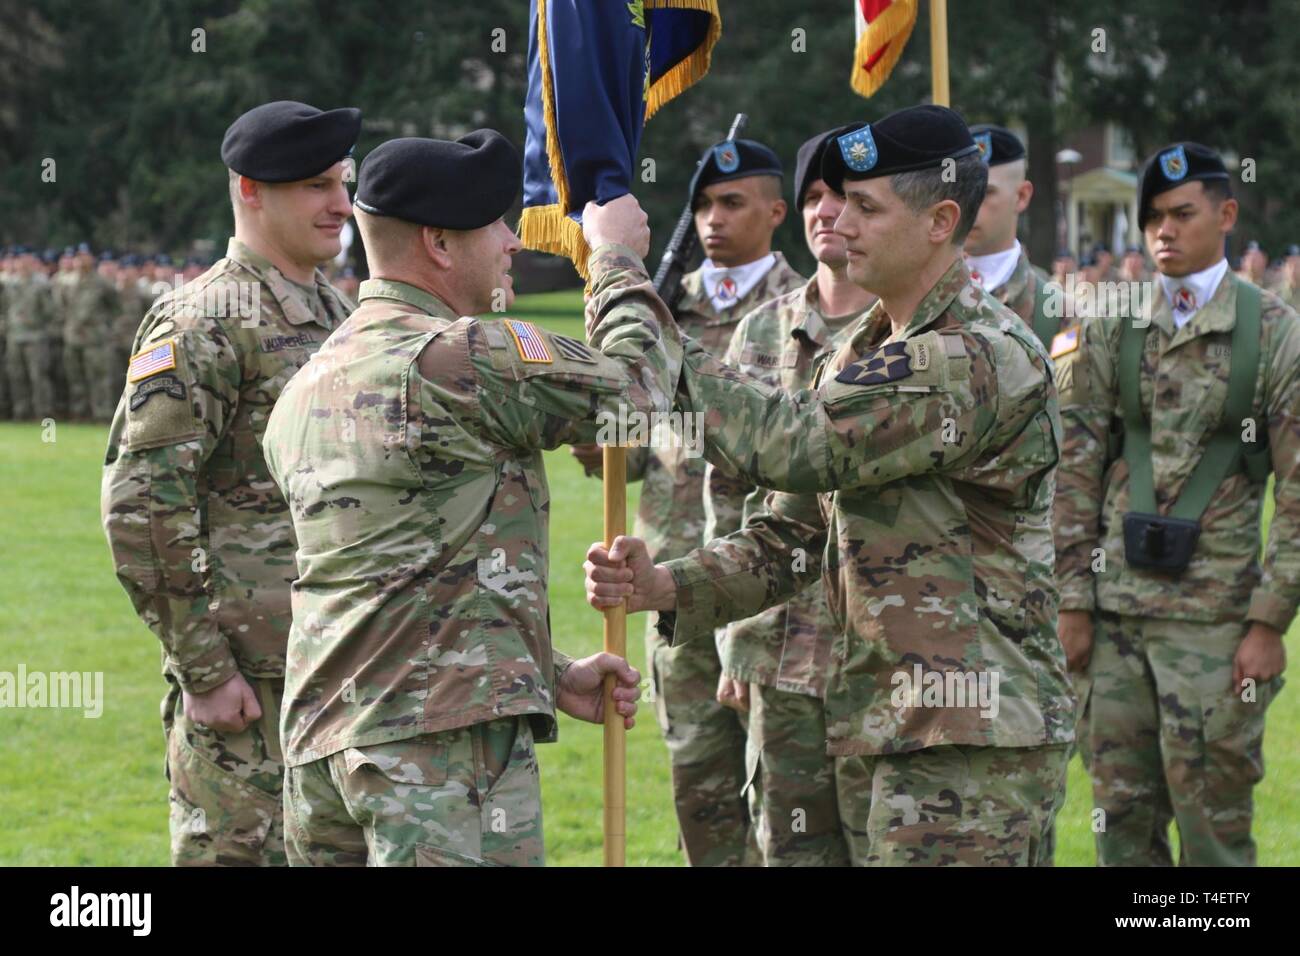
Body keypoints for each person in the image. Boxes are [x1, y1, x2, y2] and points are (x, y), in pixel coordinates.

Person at [585, 104, 1074, 866]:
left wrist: (621, 278)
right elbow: (794, 535)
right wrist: (668, 587)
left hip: (972, 745)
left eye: (866, 208)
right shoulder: (864, 348)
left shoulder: (971, 355)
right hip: (895, 723)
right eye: (837, 201)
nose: (836, 222)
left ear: (941, 219)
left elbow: (797, 444)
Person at [260, 133, 677, 866]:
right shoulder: (465, 354)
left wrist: (546, 672)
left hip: (326, 749)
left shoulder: (309, 381)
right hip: (439, 752)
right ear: (441, 245)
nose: (514, 243)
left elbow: (395, 571)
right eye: (495, 224)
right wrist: (617, 260)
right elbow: (637, 397)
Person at [101, 99, 361, 866]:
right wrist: (205, 672)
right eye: (316, 185)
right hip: (249, 693)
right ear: (251, 188)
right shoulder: (204, 320)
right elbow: (142, 504)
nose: (341, 204)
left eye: (342, 183)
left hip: (342, 673)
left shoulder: (339, 313)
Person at [1053, 142, 1296, 866]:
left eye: (1182, 215)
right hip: (1115, 620)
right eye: (1154, 217)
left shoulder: (1275, 331)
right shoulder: (1110, 320)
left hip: (1217, 629)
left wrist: (1269, 620)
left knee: (1213, 831)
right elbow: (1072, 467)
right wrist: (1071, 601)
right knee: (1119, 826)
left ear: (1225, 214)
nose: (1163, 231)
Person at [573, 136, 804, 867]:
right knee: (698, 783)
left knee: (783, 794)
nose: (713, 219)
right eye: (703, 204)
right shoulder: (664, 310)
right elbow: (640, 450)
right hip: (668, 576)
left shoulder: (802, 314)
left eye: (732, 203)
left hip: (772, 592)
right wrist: (598, 434)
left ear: (776, 211)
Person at [706, 124, 876, 866]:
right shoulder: (760, 333)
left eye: (844, 196)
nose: (824, 212)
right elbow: (731, 498)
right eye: (812, 196)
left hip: (884, 657)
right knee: (790, 848)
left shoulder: (908, 335)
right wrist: (732, 640)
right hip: (780, 654)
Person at [963, 124, 1055, 344]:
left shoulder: (1056, 312)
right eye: (959, 191)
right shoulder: (917, 300)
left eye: (984, 193)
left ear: (1021, 196)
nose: (967, 205)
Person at [63, 243, 119, 421]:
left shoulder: (101, 282)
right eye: (78, 257)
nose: (81, 260)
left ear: (92, 259)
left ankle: (101, 413)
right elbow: (62, 306)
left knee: (98, 377)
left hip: (95, 338)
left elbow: (115, 307)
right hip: (72, 336)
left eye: (85, 256)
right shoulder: (66, 281)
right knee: (75, 378)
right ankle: (79, 412)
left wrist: (104, 324)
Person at [5, 246, 58, 421]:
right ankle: (21, 411)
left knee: (38, 376)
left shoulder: (41, 284)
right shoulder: (9, 284)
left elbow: (50, 310)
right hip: (14, 336)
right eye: (20, 260)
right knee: (16, 375)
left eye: (27, 260)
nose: (23, 264)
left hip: (35, 336)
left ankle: (42, 412)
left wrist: (35, 321)